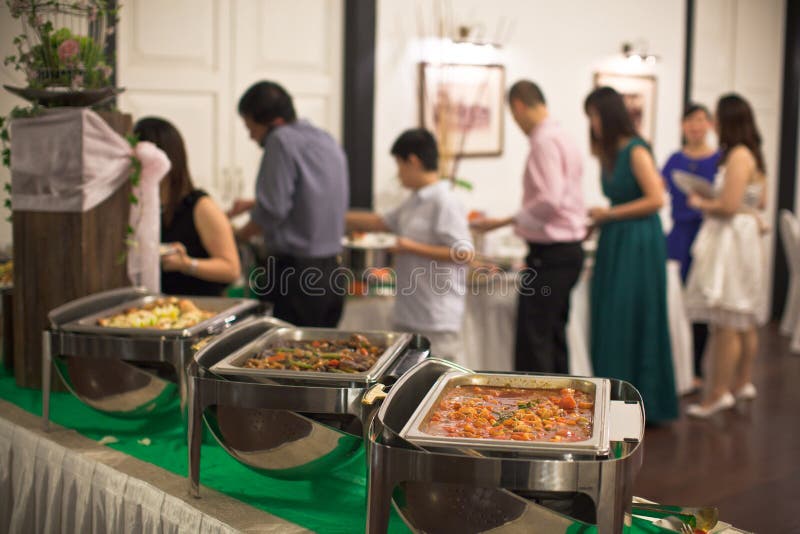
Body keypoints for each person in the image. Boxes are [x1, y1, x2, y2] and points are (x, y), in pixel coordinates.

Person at [471, 80, 585, 374]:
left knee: (534, 341)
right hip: (568, 252)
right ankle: (564, 413)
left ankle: (538, 415)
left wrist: (506, 220)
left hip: (550, 256)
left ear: (518, 106)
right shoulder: (563, 135)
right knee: (554, 336)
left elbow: (548, 199)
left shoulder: (543, 141)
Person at [584, 86, 678, 424]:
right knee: (610, 316)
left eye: (594, 116)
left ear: (606, 116)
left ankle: (643, 401)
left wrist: (608, 215)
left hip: (639, 242)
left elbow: (656, 199)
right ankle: (614, 400)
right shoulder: (610, 153)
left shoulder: (637, 151)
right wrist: (598, 223)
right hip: (616, 239)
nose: (592, 124)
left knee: (634, 315)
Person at [346, 128, 473, 362]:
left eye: (399, 165)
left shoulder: (444, 201)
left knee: (438, 381)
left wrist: (410, 247)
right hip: (409, 311)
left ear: (413, 161)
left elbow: (464, 253)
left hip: (436, 315)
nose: (399, 173)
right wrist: (335, 215)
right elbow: (381, 222)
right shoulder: (414, 200)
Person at [229, 81, 349, 327]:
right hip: (332, 273)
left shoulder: (279, 140)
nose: (251, 136)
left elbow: (273, 211)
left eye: (249, 126)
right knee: (320, 357)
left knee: (285, 360)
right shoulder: (325, 139)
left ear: (265, 119)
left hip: (294, 277)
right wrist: (254, 203)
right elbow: (312, 197)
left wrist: (239, 235)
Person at [684, 94, 767, 418]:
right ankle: (742, 382)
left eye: (716, 118)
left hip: (732, 241)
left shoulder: (737, 156)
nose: (712, 124)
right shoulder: (754, 155)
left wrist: (701, 202)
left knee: (727, 321)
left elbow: (729, 206)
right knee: (743, 318)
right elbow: (759, 201)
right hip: (743, 237)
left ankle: (716, 393)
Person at [133, 117, 241, 296]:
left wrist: (187, 264)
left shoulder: (201, 206)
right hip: (157, 306)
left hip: (199, 307)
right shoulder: (142, 206)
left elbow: (231, 269)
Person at [662, 104, 720, 388]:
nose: (695, 126)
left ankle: (696, 369)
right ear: (682, 125)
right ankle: (674, 365)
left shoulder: (720, 160)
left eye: (700, 120)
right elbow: (657, 190)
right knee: (675, 300)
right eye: (689, 121)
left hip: (707, 235)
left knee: (700, 304)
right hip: (677, 237)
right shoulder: (674, 159)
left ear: (709, 124)